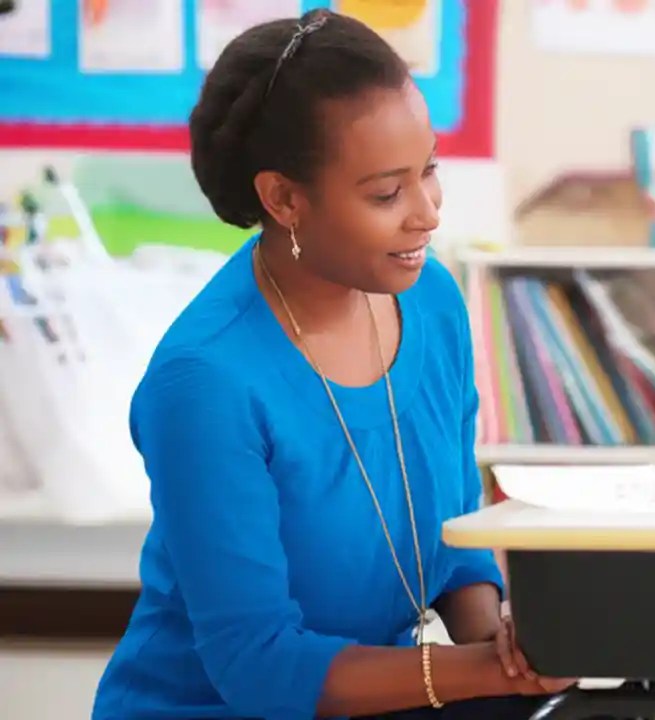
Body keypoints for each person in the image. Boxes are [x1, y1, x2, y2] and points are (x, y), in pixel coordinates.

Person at [92, 10, 570, 720]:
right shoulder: (206, 385)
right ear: (283, 198)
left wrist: (503, 650)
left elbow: (454, 525)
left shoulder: (430, 298)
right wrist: (479, 674)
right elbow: (258, 665)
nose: (428, 212)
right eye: (386, 193)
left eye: (429, 169)